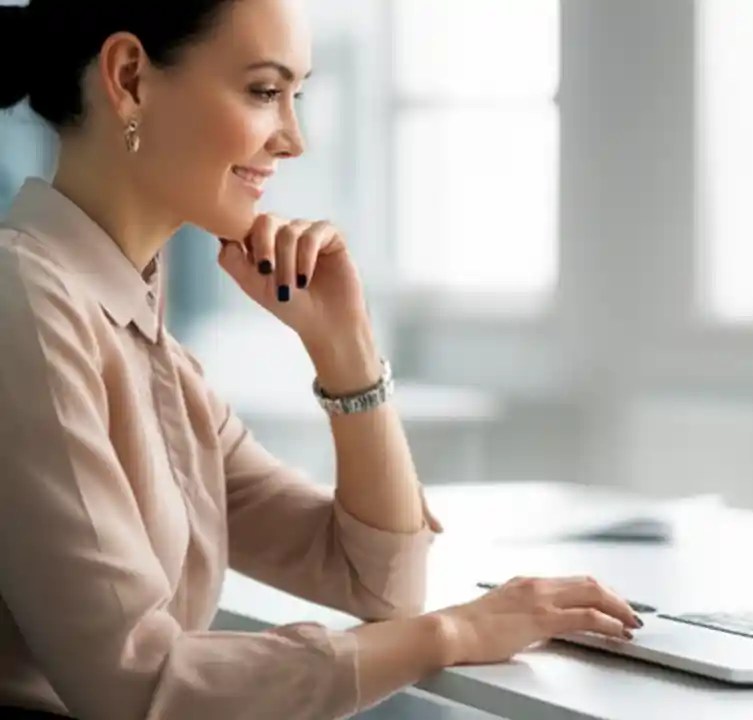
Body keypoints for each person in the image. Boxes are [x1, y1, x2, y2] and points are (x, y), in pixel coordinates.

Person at [0, 1, 641, 718]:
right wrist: (452, 633)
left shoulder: (143, 344)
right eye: (265, 92)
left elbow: (378, 582)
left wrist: (346, 347)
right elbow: (136, 683)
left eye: (294, 96)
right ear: (131, 79)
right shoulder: (24, 305)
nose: (294, 140)